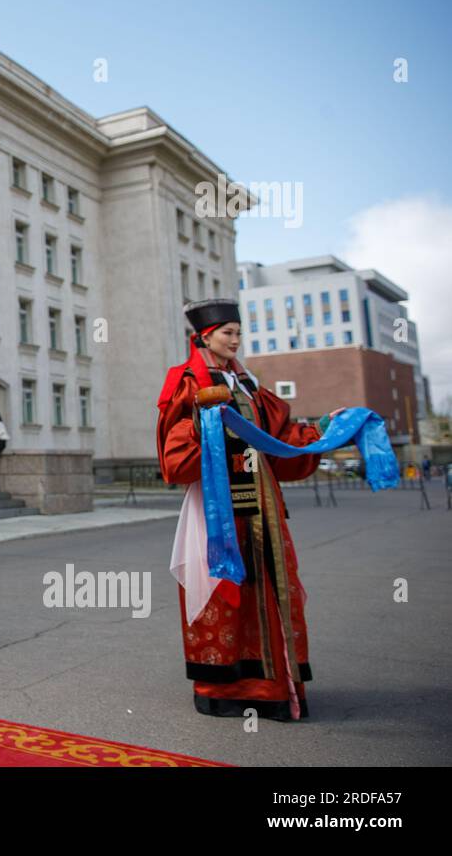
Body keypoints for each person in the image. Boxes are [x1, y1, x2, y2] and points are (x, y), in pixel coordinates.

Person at [157, 298, 337, 722]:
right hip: (217, 504)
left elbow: (282, 437)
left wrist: (324, 430)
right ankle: (222, 685)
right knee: (224, 592)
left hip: (263, 502)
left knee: (272, 585)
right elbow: (174, 453)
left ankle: (275, 686)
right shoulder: (185, 383)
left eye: (238, 332)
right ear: (205, 336)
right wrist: (204, 423)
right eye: (227, 333)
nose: (235, 340)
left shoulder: (249, 386)